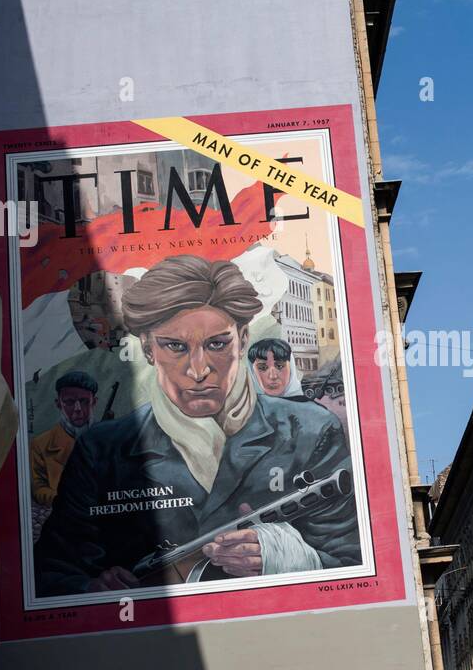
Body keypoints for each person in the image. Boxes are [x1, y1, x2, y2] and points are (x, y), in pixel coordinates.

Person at [34, 255, 360, 595]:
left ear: (243, 338)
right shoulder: (102, 448)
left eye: (217, 344)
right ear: (148, 349)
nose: (199, 369)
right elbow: (53, 573)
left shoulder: (311, 431)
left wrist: (289, 558)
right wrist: (96, 591)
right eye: (175, 346)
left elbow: (356, 566)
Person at [29, 370, 98, 506]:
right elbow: (39, 488)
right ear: (58, 403)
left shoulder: (110, 438)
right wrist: (65, 499)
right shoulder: (41, 444)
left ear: (94, 402)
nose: (77, 409)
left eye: (84, 401)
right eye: (69, 402)